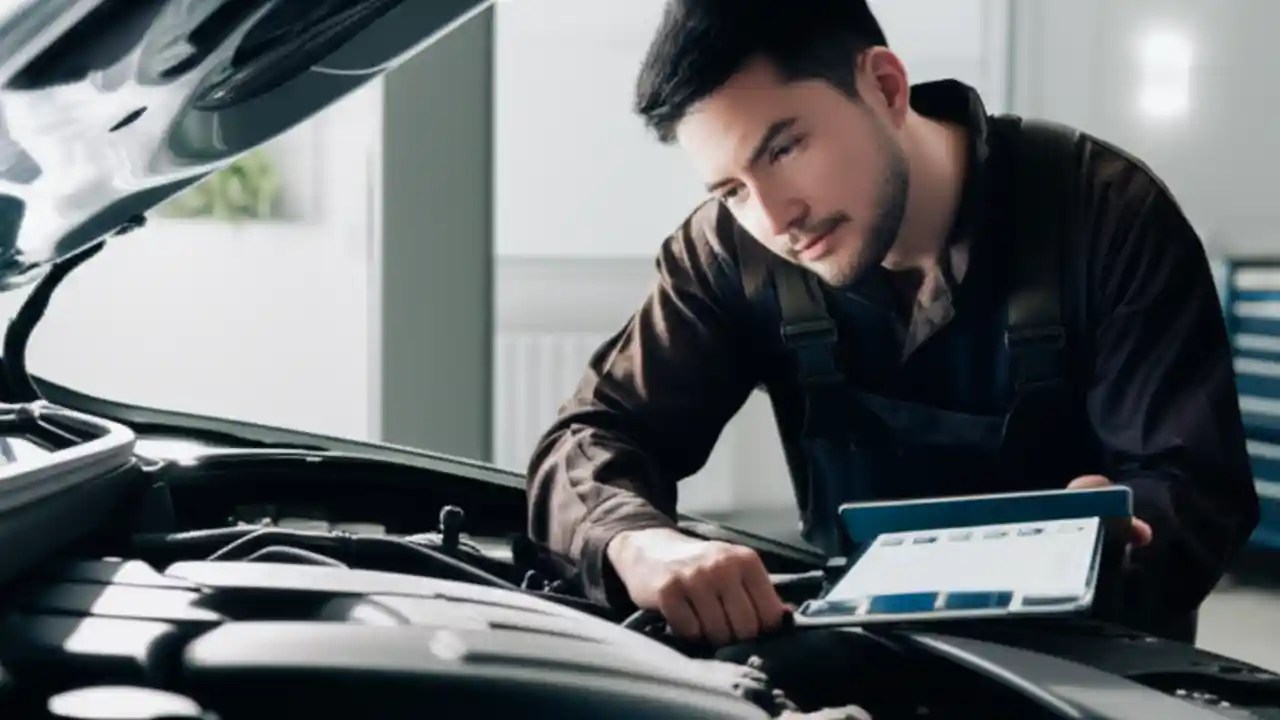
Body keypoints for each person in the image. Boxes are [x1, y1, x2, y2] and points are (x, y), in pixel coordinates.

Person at [524, 0, 1259, 647]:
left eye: (785, 148)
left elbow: (1193, 483)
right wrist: (638, 544)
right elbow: (593, 435)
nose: (776, 217)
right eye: (731, 187)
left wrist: (1119, 537)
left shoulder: (1105, 213)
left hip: (1081, 666)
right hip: (867, 659)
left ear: (884, 86)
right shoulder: (728, 250)